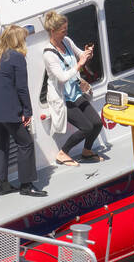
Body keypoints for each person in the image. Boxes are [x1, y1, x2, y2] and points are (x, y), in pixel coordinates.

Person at [0, 25, 46, 197]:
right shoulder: (17, 57)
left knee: (1, 142)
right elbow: (22, 88)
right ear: (18, 40)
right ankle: (26, 185)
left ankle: (3, 184)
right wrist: (27, 111)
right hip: (8, 109)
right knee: (25, 142)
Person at [40, 10, 103, 165]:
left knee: (97, 123)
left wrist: (88, 53)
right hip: (63, 99)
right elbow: (61, 78)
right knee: (86, 127)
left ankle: (87, 151)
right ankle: (62, 153)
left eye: (66, 30)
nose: (66, 33)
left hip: (75, 93)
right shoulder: (48, 54)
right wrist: (79, 64)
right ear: (53, 32)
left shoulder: (66, 41)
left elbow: (80, 54)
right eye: (63, 31)